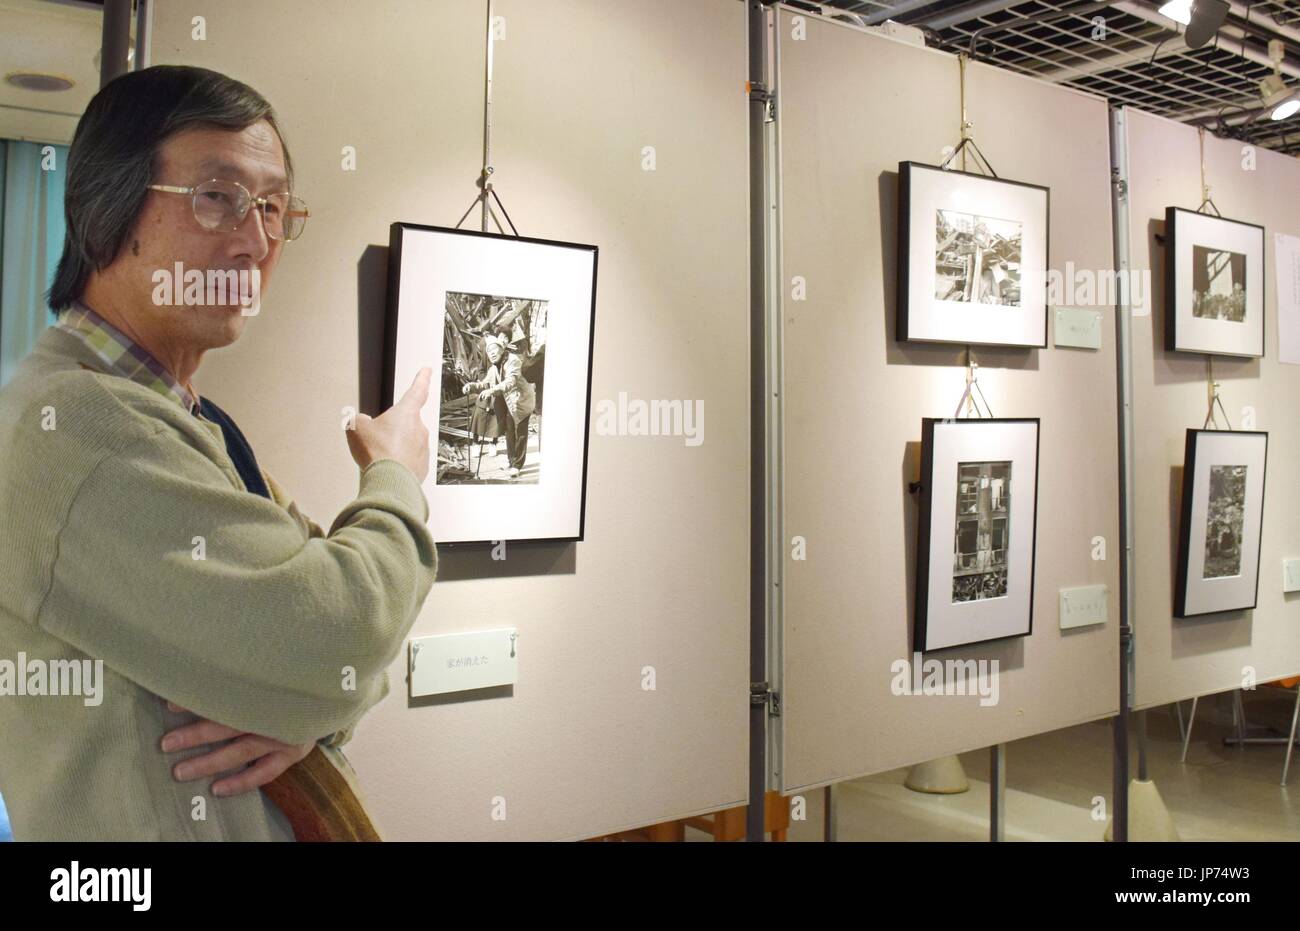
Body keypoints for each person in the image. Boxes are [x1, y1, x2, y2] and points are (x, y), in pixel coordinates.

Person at [0, 65, 437, 840]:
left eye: (273, 207)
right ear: (108, 210)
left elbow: (336, 656)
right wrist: (395, 472)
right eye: (218, 197)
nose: (257, 240)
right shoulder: (77, 426)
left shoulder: (186, 418)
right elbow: (343, 631)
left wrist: (307, 705)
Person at [462, 331, 535, 479]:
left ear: (502, 349)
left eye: (494, 350)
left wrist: (492, 390)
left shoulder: (512, 360)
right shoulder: (494, 367)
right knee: (509, 431)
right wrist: (472, 386)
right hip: (509, 402)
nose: (491, 354)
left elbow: (510, 382)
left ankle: (517, 465)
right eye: (489, 352)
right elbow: (486, 383)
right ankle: (511, 461)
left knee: (520, 433)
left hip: (521, 401)